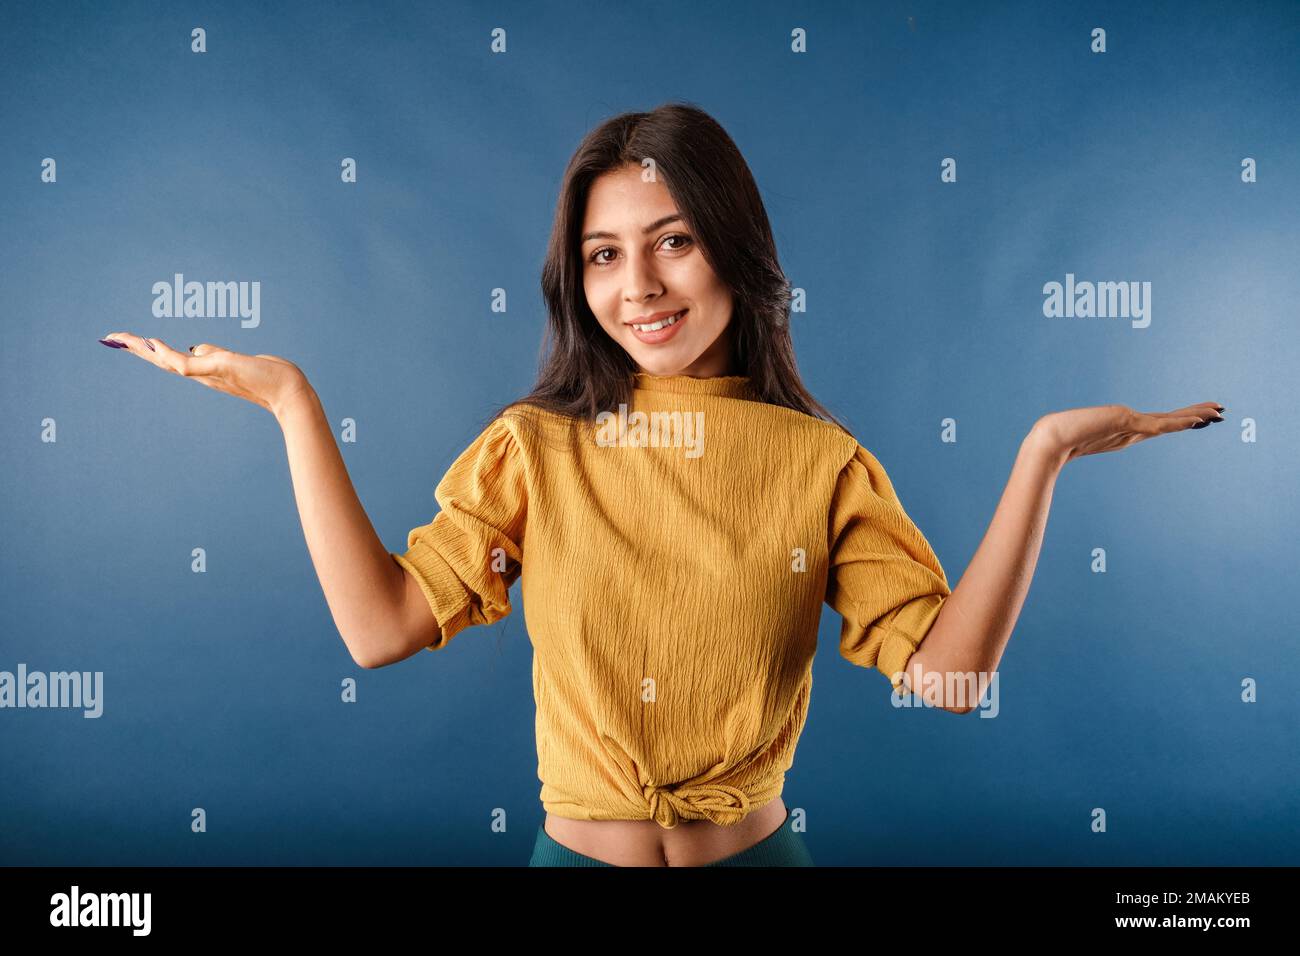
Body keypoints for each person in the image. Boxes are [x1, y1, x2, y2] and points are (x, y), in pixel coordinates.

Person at [98, 101, 1225, 867]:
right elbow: (379, 627)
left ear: (735, 247)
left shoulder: (819, 462)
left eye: (673, 240)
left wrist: (1041, 456)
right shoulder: (534, 448)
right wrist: (294, 404)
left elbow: (950, 681)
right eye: (603, 253)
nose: (636, 284)